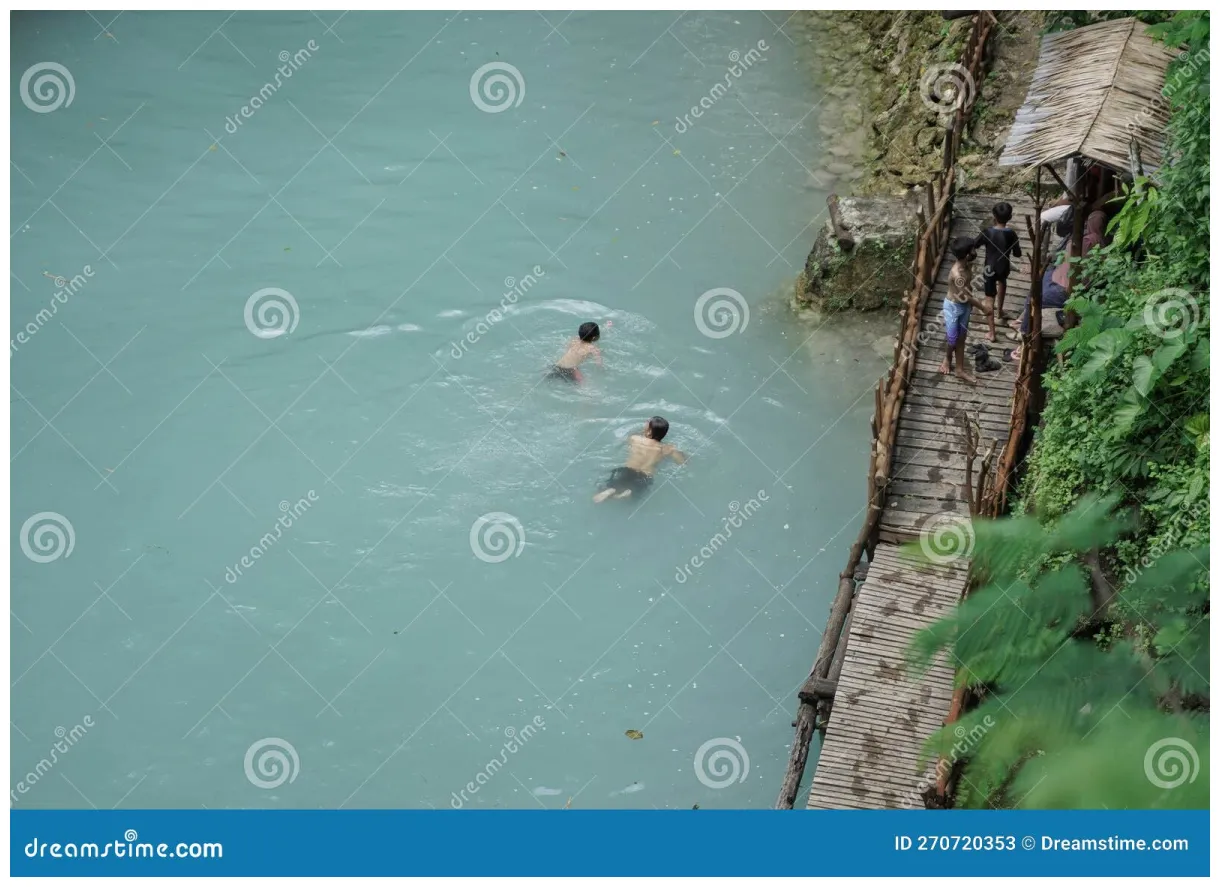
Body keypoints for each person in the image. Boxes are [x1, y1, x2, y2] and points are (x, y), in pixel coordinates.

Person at [593, 416, 687, 503]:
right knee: (635, 496)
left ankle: (611, 489)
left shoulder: (635, 439)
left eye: (647, 423)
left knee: (612, 484)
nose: (645, 423)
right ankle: (628, 493)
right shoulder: (666, 448)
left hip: (627, 470)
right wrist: (679, 452)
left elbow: (625, 442)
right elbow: (682, 462)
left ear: (649, 431)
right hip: (645, 476)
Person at [939, 238, 988, 384]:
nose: (975, 252)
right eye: (972, 250)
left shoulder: (967, 266)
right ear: (967, 255)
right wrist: (983, 307)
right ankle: (947, 358)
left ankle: (959, 369)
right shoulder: (957, 274)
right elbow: (964, 296)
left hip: (965, 307)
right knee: (952, 339)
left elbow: (968, 290)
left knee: (962, 338)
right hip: (953, 307)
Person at [974, 202, 1022, 342]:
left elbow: (975, 244)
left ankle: (992, 333)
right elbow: (1018, 254)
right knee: (1003, 282)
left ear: (994, 216)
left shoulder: (987, 232)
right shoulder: (1012, 234)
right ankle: (1000, 312)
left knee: (989, 299)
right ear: (1010, 217)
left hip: (989, 269)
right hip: (1003, 267)